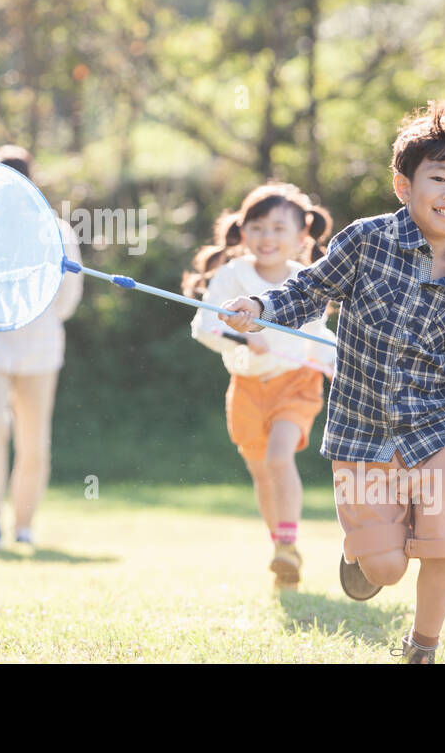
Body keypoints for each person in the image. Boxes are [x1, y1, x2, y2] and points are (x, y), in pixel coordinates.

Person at [220, 98, 445, 663]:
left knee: (444, 545)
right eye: (438, 177)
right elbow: (307, 290)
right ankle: (370, 549)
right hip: (362, 435)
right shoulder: (365, 241)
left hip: (439, 432)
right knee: (385, 566)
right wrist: (260, 305)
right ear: (404, 184)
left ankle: (422, 646)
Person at [184, 183, 337, 588]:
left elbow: (319, 335)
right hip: (247, 388)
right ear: (243, 231)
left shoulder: (306, 279)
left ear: (301, 237)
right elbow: (203, 326)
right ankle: (281, 550)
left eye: (277, 228)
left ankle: (288, 543)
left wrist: (340, 364)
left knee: (278, 458)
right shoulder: (231, 276)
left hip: (297, 384)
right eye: (257, 227)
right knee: (261, 472)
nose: (266, 238)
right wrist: (240, 336)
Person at [0, 146, 83, 547]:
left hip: (41, 350)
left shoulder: (55, 230)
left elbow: (67, 296)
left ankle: (25, 525)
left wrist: (37, 318)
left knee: (33, 440)